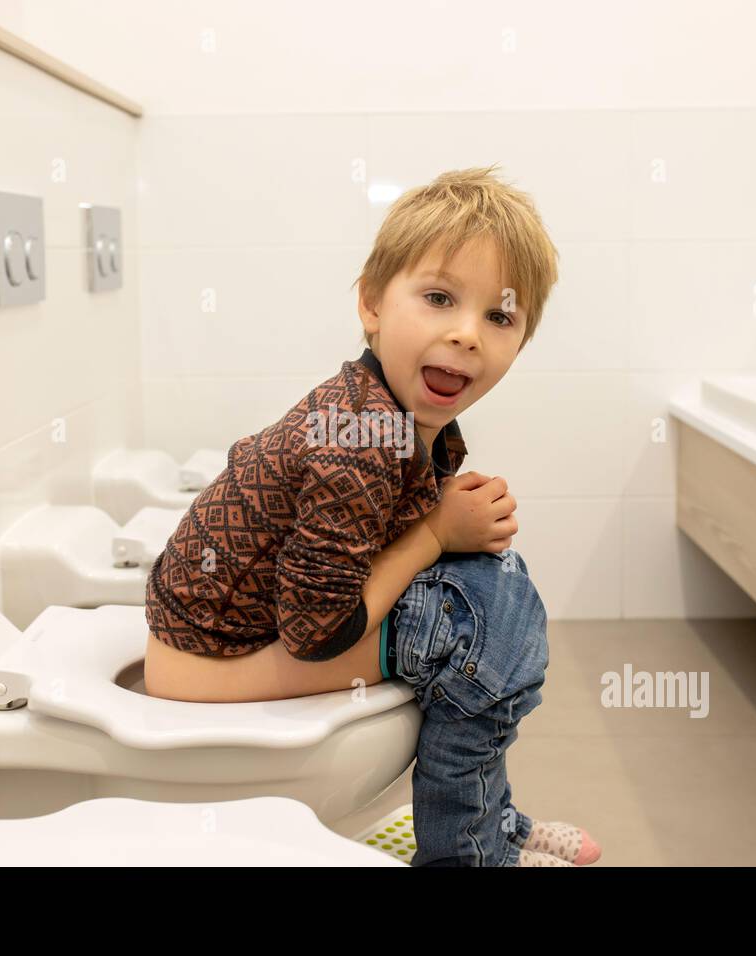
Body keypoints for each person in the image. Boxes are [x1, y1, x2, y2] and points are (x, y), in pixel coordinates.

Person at [144, 165, 600, 866]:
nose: (468, 334)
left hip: (249, 626)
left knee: (495, 595)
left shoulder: (407, 420)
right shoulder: (358, 441)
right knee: (491, 630)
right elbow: (317, 632)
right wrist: (438, 533)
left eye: (499, 316)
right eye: (440, 298)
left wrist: (454, 532)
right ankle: (468, 852)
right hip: (211, 660)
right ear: (372, 304)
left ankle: (490, 821)